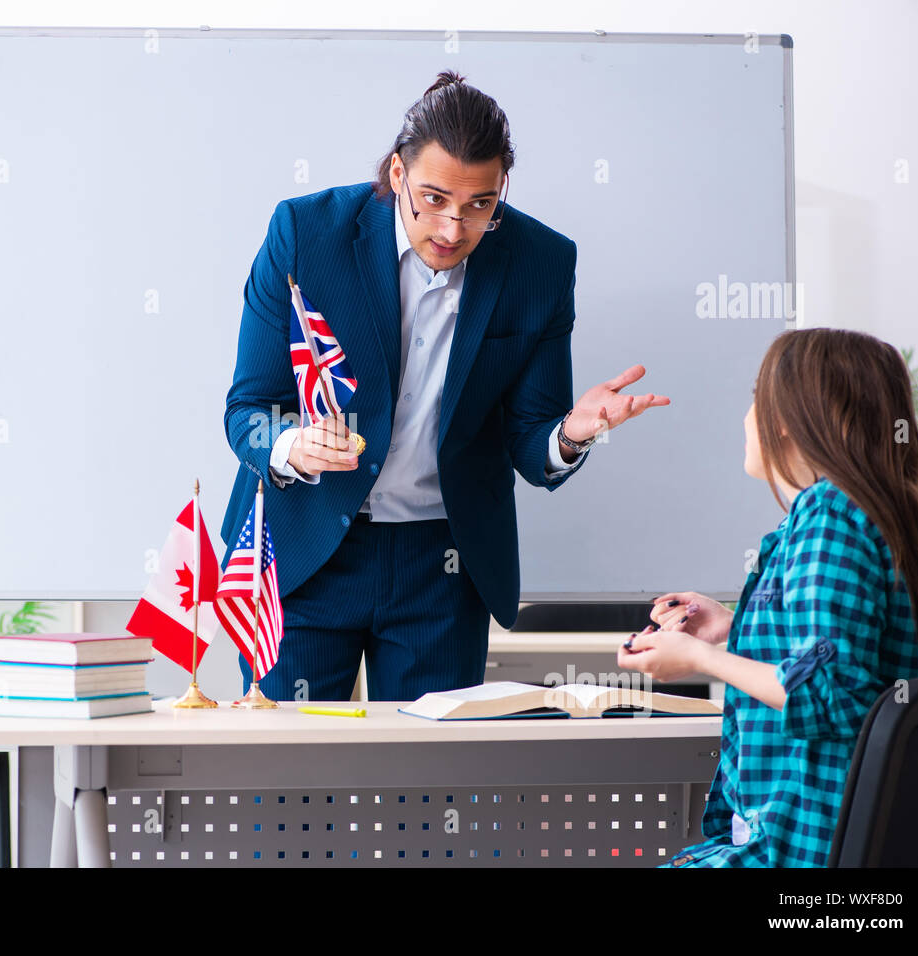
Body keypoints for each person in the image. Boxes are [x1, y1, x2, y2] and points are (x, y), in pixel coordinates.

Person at [221, 70, 668, 701]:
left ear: (501, 189)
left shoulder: (541, 264)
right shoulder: (306, 233)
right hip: (306, 550)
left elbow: (530, 442)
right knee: (288, 783)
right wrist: (291, 446)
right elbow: (248, 410)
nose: (454, 229)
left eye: (479, 205)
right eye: (433, 199)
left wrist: (571, 434)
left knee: (428, 790)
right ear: (397, 174)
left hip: (442, 568)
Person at [619, 327, 918, 867]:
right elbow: (832, 649)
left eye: (756, 399)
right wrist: (734, 624)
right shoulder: (882, 511)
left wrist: (704, 659)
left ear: (787, 419)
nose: (747, 419)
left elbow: (828, 692)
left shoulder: (831, 517)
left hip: (796, 850)